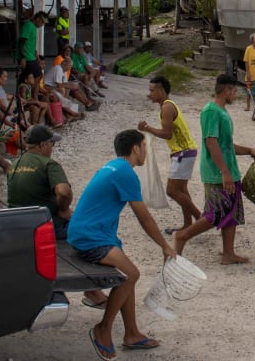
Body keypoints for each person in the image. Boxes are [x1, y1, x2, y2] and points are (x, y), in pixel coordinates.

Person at [68, 130, 177, 357]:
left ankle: (132, 333)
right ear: (135, 149)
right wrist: (165, 246)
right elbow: (143, 216)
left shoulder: (113, 166)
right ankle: (103, 328)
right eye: (144, 147)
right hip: (89, 238)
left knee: (128, 275)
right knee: (130, 275)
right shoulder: (126, 173)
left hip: (89, 234)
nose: (146, 151)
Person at [7, 124, 108, 309]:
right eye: (51, 144)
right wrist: (63, 208)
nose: (52, 148)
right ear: (43, 144)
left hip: (21, 227)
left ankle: (92, 291)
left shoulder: (15, 164)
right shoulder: (48, 164)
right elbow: (64, 192)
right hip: (48, 227)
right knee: (92, 231)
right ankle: (93, 288)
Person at [174, 74, 255, 264]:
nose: (235, 95)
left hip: (228, 169)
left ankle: (228, 254)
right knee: (214, 214)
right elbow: (211, 143)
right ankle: (182, 236)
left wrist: (249, 150)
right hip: (218, 173)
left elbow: (226, 145)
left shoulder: (222, 111)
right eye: (234, 91)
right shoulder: (211, 111)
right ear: (226, 90)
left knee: (231, 213)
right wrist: (224, 172)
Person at [138, 75, 202, 234]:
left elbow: (166, 133)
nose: (150, 93)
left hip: (183, 153)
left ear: (161, 90)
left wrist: (147, 128)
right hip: (185, 151)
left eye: (152, 90)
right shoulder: (169, 105)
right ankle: (188, 224)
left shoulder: (166, 107)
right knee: (182, 190)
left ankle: (200, 219)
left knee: (172, 191)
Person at [18, 11, 47, 79]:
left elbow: (29, 43)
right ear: (38, 19)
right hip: (27, 57)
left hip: (31, 56)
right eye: (42, 22)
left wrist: (35, 52)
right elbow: (21, 42)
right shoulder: (28, 25)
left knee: (32, 77)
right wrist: (23, 58)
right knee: (38, 75)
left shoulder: (33, 27)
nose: (43, 24)